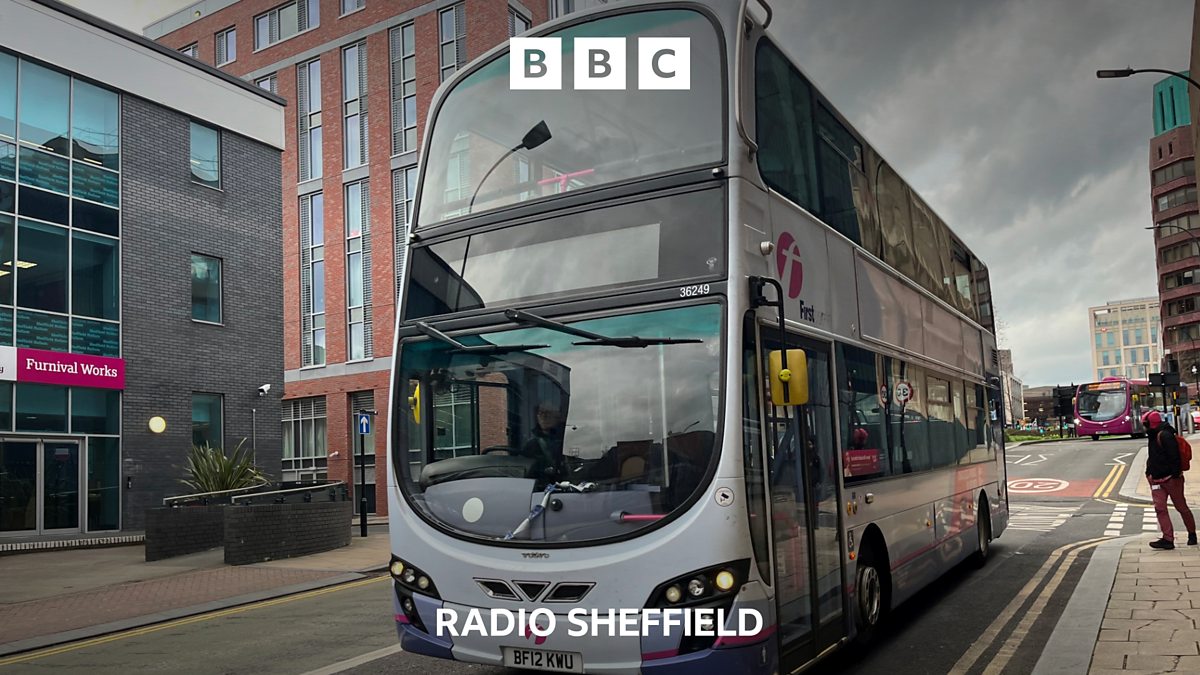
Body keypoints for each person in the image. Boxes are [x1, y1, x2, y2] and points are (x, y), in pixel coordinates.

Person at [1143, 409, 1197, 550]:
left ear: (1150, 423)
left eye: (1145, 424)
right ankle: (1168, 539)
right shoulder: (1153, 435)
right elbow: (1153, 456)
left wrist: (1174, 475)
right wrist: (1149, 473)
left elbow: (1175, 458)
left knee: (1181, 507)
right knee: (1160, 509)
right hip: (1156, 480)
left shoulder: (1165, 435)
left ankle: (1192, 534)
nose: (1144, 426)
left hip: (1171, 479)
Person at [521, 401, 565, 481]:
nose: (543, 416)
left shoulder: (566, 440)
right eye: (541, 413)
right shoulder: (531, 444)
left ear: (558, 416)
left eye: (548, 413)